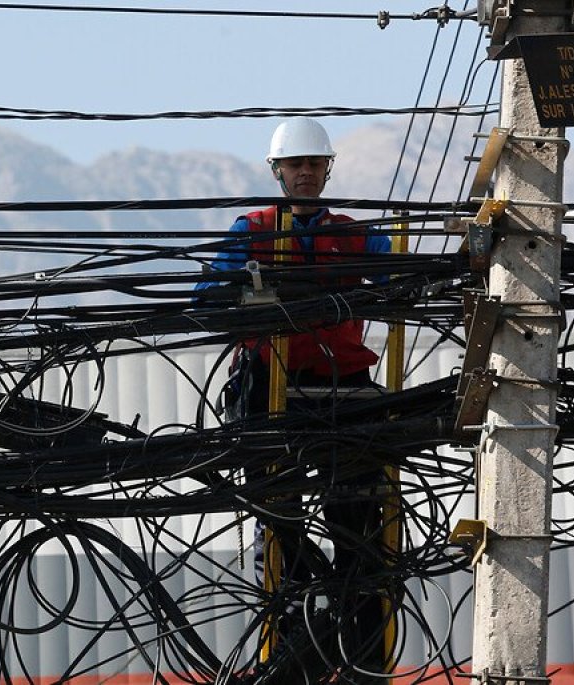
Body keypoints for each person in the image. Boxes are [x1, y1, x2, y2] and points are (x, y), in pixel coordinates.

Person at [198, 119, 393, 683]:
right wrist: (254, 298)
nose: (305, 172)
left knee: (359, 527)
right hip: (270, 388)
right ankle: (296, 647)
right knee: (275, 521)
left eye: (314, 163)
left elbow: (401, 275)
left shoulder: (356, 234)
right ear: (278, 172)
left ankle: (361, 662)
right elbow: (207, 297)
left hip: (344, 390)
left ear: (326, 169)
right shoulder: (253, 229)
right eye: (295, 164)